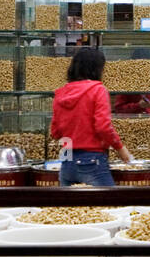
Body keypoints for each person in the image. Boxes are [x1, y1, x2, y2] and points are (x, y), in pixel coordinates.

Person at [49, 47, 133, 186]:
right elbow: (103, 127)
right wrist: (120, 148)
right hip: (92, 161)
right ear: (97, 68)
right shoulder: (98, 90)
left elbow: (55, 132)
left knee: (71, 207)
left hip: (67, 161)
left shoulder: (61, 93)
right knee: (109, 205)